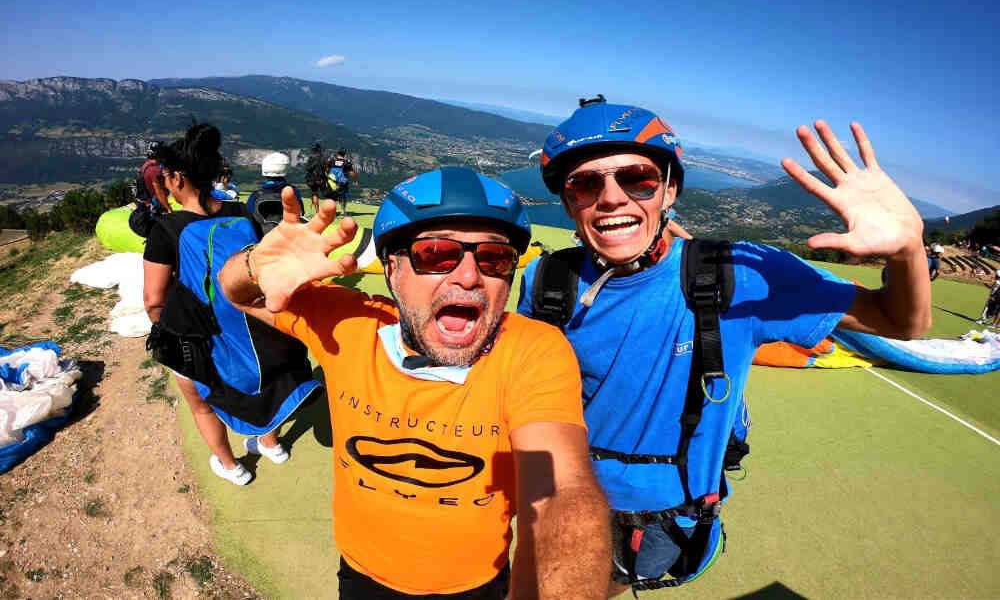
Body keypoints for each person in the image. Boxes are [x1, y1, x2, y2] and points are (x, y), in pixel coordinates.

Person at [516, 97, 932, 595]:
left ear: (669, 189)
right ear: (568, 203)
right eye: (584, 184)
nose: (611, 198)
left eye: (637, 178)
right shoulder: (547, 280)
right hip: (559, 497)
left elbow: (901, 322)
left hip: (659, 519)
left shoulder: (739, 275)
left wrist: (908, 251)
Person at [218, 167, 611, 599]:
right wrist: (254, 265)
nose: (468, 276)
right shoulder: (350, 323)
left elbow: (563, 491)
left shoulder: (533, 351)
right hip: (363, 573)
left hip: (477, 584)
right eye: (435, 254)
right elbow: (238, 292)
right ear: (392, 269)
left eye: (494, 258)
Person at [143, 125, 320, 486]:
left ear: (177, 178)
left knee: (202, 404)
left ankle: (231, 466)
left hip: (199, 335)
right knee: (267, 382)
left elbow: (153, 299)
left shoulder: (167, 228)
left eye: (165, 177)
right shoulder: (242, 212)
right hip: (256, 326)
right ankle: (270, 443)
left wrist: (168, 331)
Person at [247, 151, 305, 234]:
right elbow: (301, 213)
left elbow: (249, 218)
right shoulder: (293, 192)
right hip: (290, 236)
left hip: (264, 237)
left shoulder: (256, 196)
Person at [327, 148, 359, 218]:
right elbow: (352, 173)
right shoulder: (346, 163)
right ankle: (343, 212)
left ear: (337, 153)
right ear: (344, 154)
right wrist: (356, 180)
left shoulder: (332, 161)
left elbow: (327, 170)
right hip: (342, 183)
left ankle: (333, 212)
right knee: (343, 197)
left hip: (332, 182)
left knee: (333, 198)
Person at [305, 143, 332, 214]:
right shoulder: (322, 158)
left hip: (311, 179)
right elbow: (327, 169)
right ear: (319, 149)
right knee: (327, 194)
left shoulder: (310, 158)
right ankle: (328, 210)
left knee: (314, 194)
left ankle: (317, 212)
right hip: (320, 179)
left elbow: (307, 168)